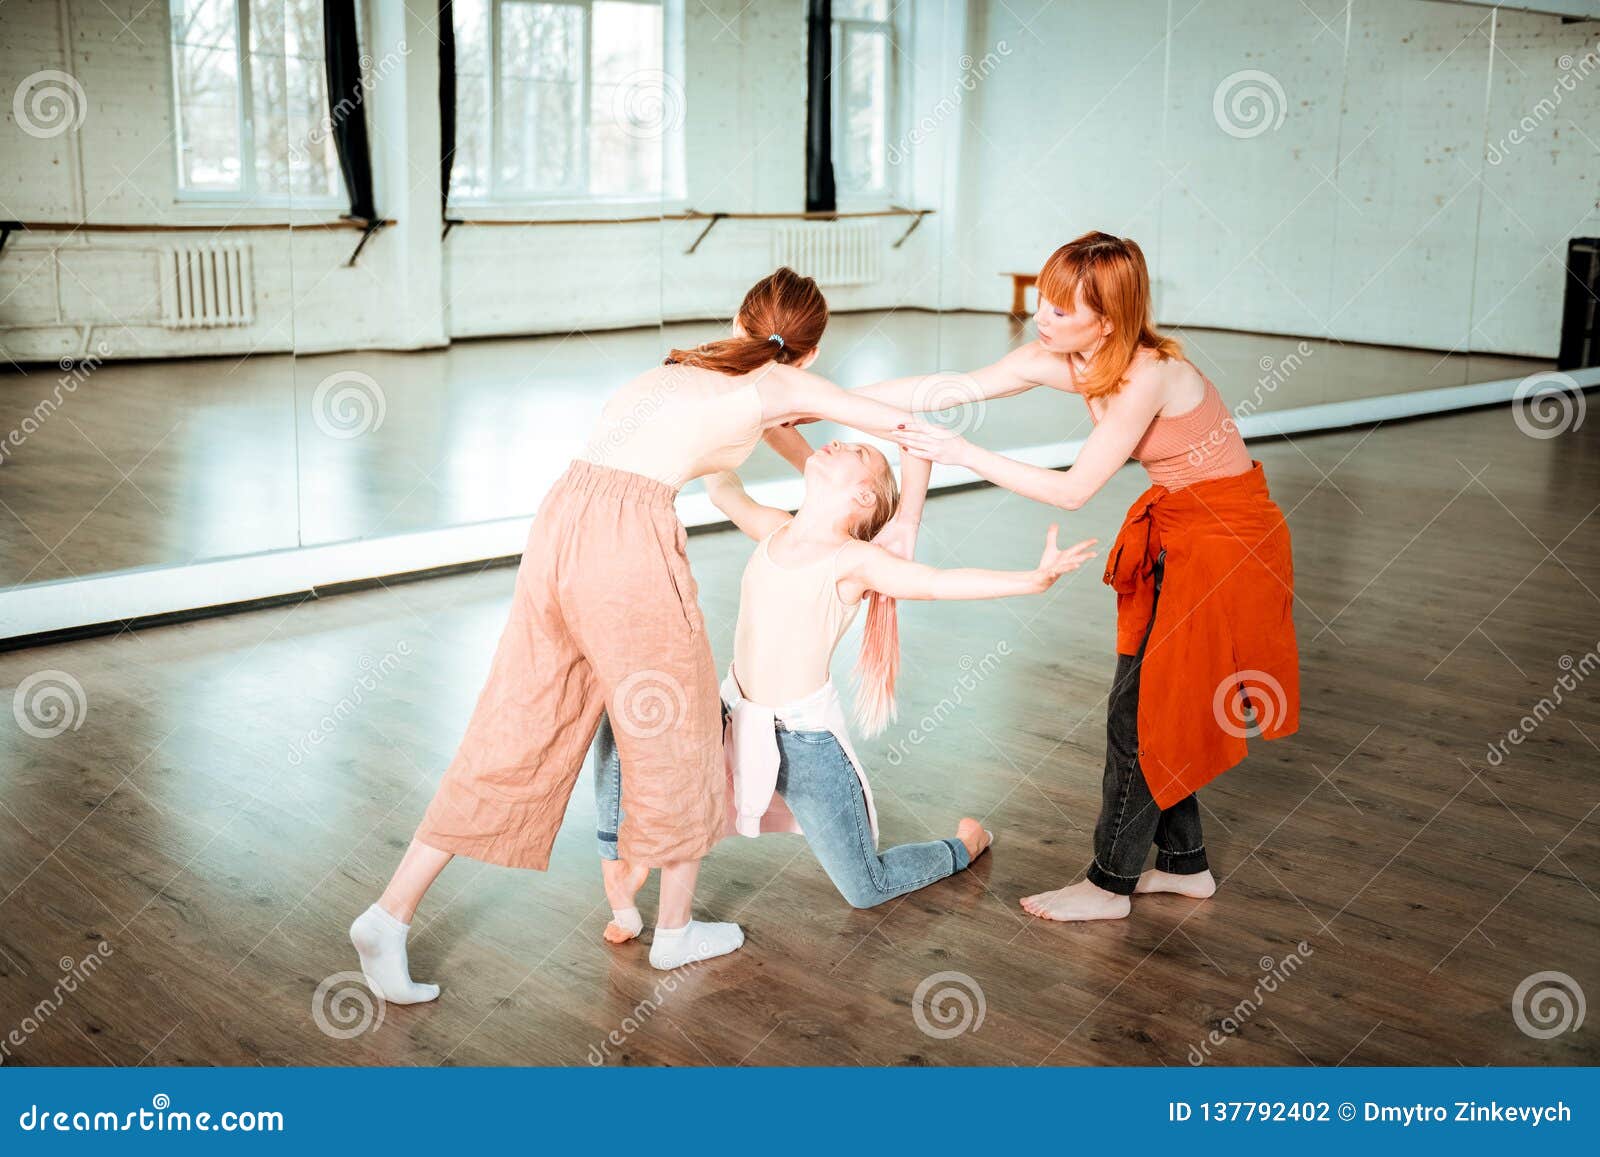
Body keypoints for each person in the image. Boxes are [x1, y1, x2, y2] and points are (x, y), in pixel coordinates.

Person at [350, 268, 947, 997]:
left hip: (562, 520)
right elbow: (913, 423)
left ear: (739, 320)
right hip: (626, 540)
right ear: (811, 353)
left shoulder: (690, 366)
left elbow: (789, 442)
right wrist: (905, 520)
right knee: (685, 729)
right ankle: (674, 932)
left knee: (517, 723)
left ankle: (389, 913)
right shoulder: (780, 383)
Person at [860, 231, 1300, 921]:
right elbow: (950, 387)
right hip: (1181, 530)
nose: (1043, 317)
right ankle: (1184, 866)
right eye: (1044, 300)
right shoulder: (1063, 358)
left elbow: (1072, 490)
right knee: (1159, 703)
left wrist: (963, 453)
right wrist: (815, 398)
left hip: (1228, 544)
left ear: (1109, 320)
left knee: (1139, 712)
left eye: (1063, 310)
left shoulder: (1152, 374)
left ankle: (1108, 885)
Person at [594, 439, 1097, 933]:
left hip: (805, 744)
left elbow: (934, 582)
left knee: (866, 887)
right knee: (627, 714)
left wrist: (1031, 580)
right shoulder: (774, 529)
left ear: (864, 496)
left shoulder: (853, 561)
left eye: (858, 453)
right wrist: (713, 426)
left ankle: (963, 847)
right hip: (732, 717)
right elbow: (725, 490)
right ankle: (624, 862)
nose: (836, 442)